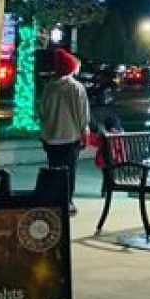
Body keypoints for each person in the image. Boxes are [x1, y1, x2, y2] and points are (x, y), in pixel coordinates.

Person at [34, 48, 89, 215]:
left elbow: (41, 112)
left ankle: (54, 200)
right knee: (69, 171)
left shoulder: (49, 87)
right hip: (70, 137)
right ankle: (67, 201)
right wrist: (84, 133)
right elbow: (83, 115)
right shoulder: (77, 88)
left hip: (51, 138)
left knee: (54, 169)